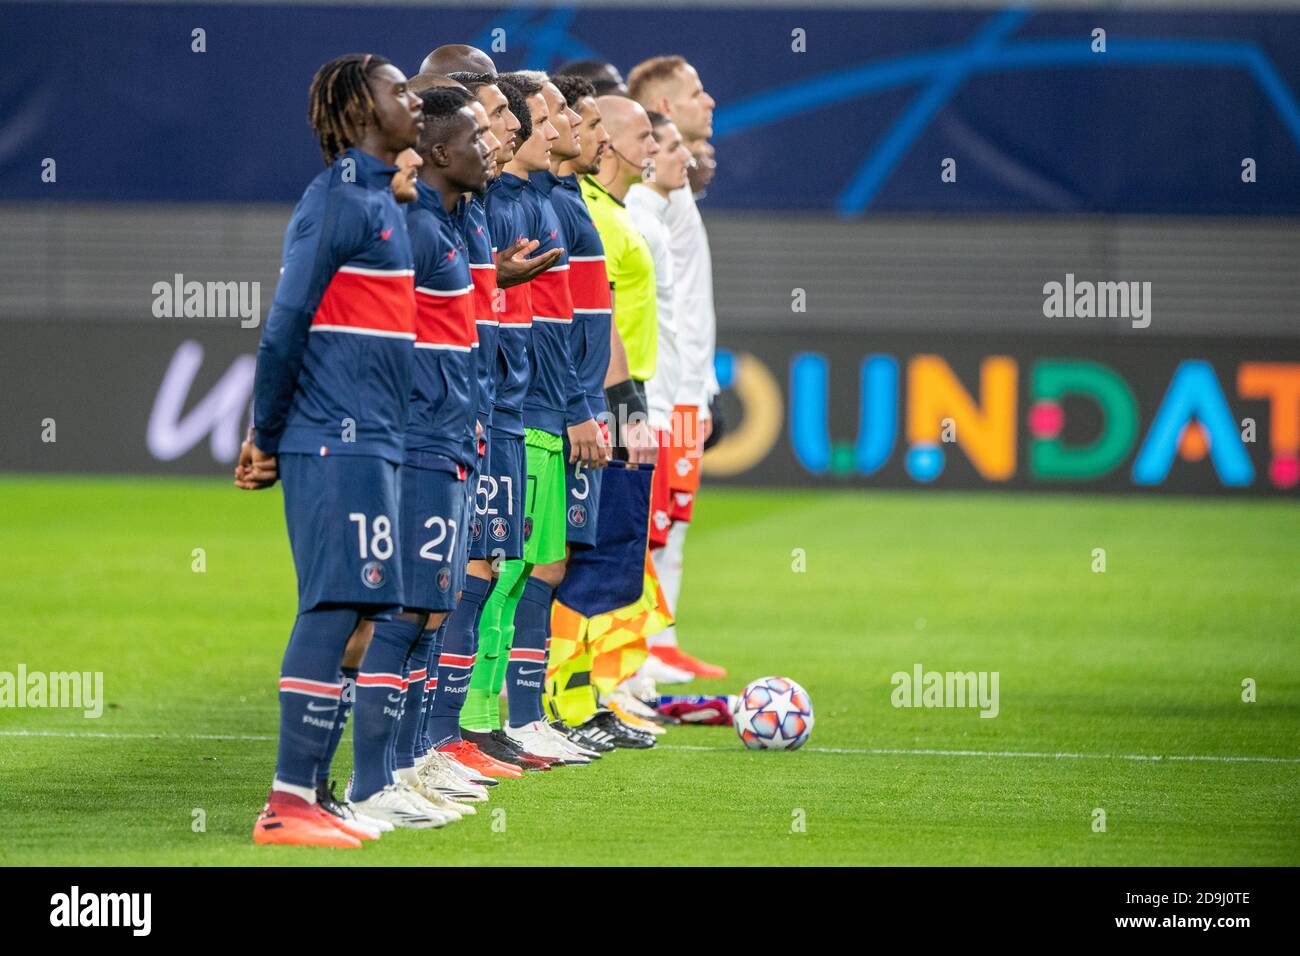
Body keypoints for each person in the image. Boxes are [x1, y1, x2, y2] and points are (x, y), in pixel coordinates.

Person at [239, 53, 423, 848]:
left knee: (359, 613)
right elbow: (284, 324)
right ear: (358, 113)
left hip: (375, 441)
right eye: (397, 90)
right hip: (331, 438)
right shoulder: (337, 202)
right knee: (333, 604)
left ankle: (316, 792)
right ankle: (285, 803)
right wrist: (265, 432)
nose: (411, 99)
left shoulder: (383, 203)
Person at [628, 56, 726, 681]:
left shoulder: (676, 189)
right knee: (646, 528)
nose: (709, 100)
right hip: (662, 391)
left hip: (686, 388)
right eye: (695, 92)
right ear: (662, 108)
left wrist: (703, 385)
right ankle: (634, 650)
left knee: (672, 526)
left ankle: (659, 641)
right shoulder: (645, 207)